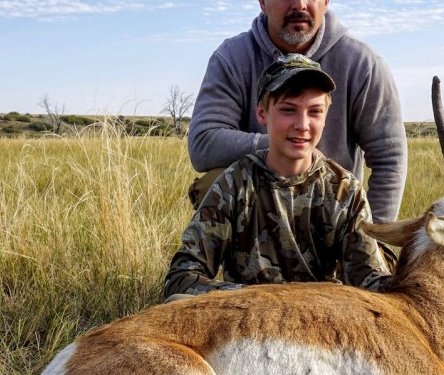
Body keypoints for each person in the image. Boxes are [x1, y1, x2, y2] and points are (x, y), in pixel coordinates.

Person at [187, 0, 407, 223]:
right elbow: (204, 143)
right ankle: (240, 267)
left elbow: (389, 157)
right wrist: (284, 148)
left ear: (326, 0)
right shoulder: (231, 58)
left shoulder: (363, 64)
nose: (299, 3)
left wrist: (376, 241)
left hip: (332, 214)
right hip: (258, 212)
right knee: (212, 183)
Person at [164, 54, 392, 299]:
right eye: (288, 110)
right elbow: (181, 277)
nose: (302, 124)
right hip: (248, 316)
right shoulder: (235, 184)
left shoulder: (345, 190)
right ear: (262, 114)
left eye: (314, 111)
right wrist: (259, 300)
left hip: (321, 320)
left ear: (326, 117)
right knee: (177, 301)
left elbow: (370, 281)